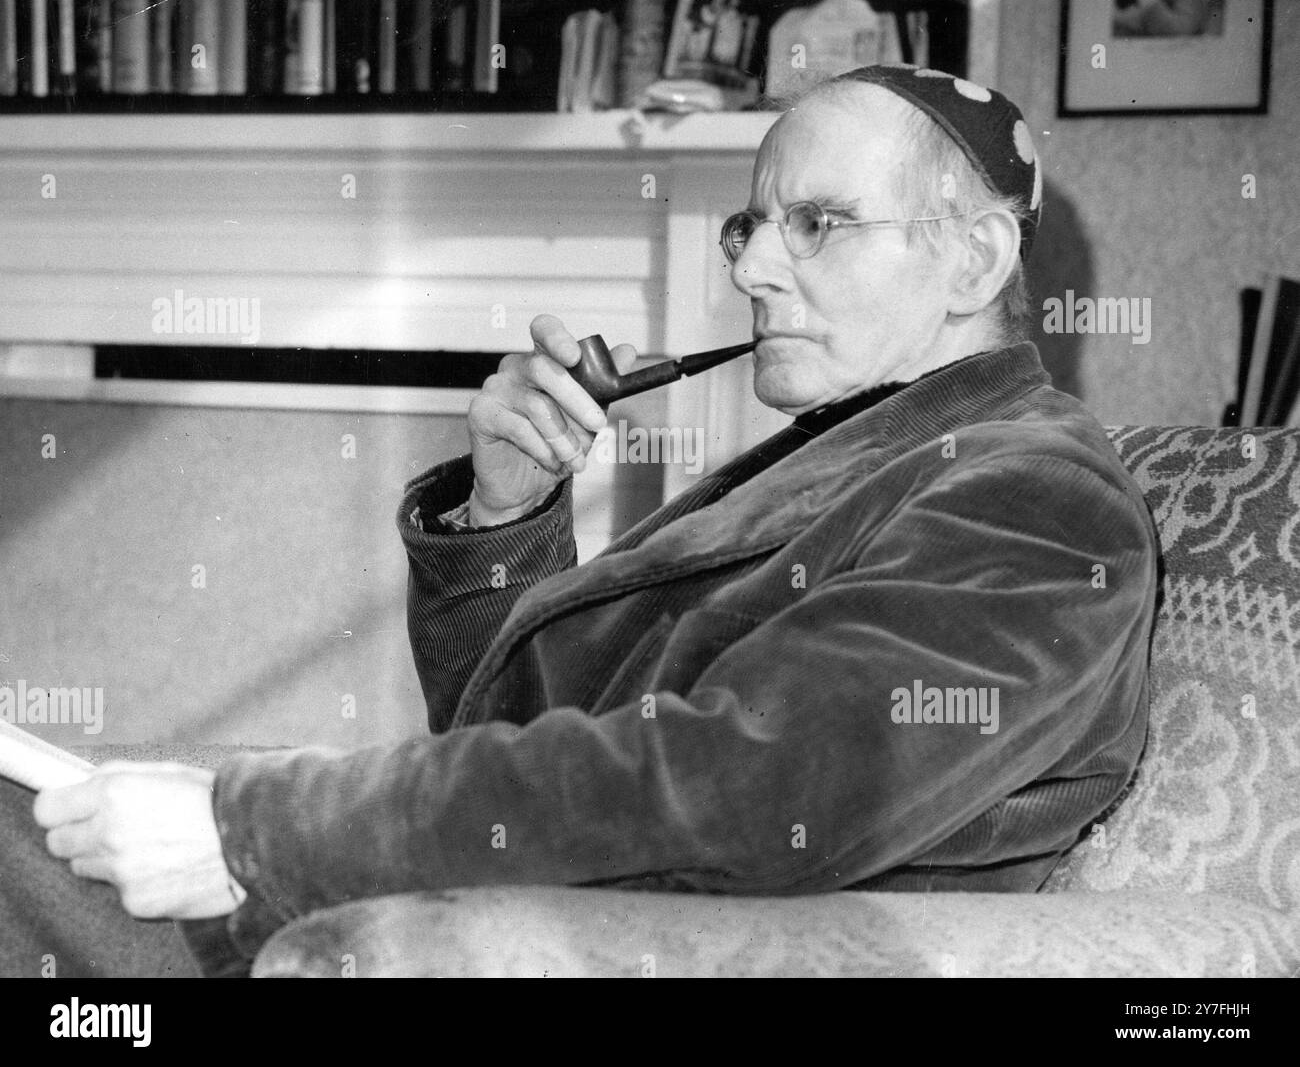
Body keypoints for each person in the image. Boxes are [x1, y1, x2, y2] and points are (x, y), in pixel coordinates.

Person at [3, 64, 1158, 977]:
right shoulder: (855, 457)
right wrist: (508, 511)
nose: (753, 266)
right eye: (748, 226)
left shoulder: (1037, 496)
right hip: (504, 899)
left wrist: (266, 832)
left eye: (816, 222)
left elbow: (759, 787)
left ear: (977, 258)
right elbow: (510, 732)